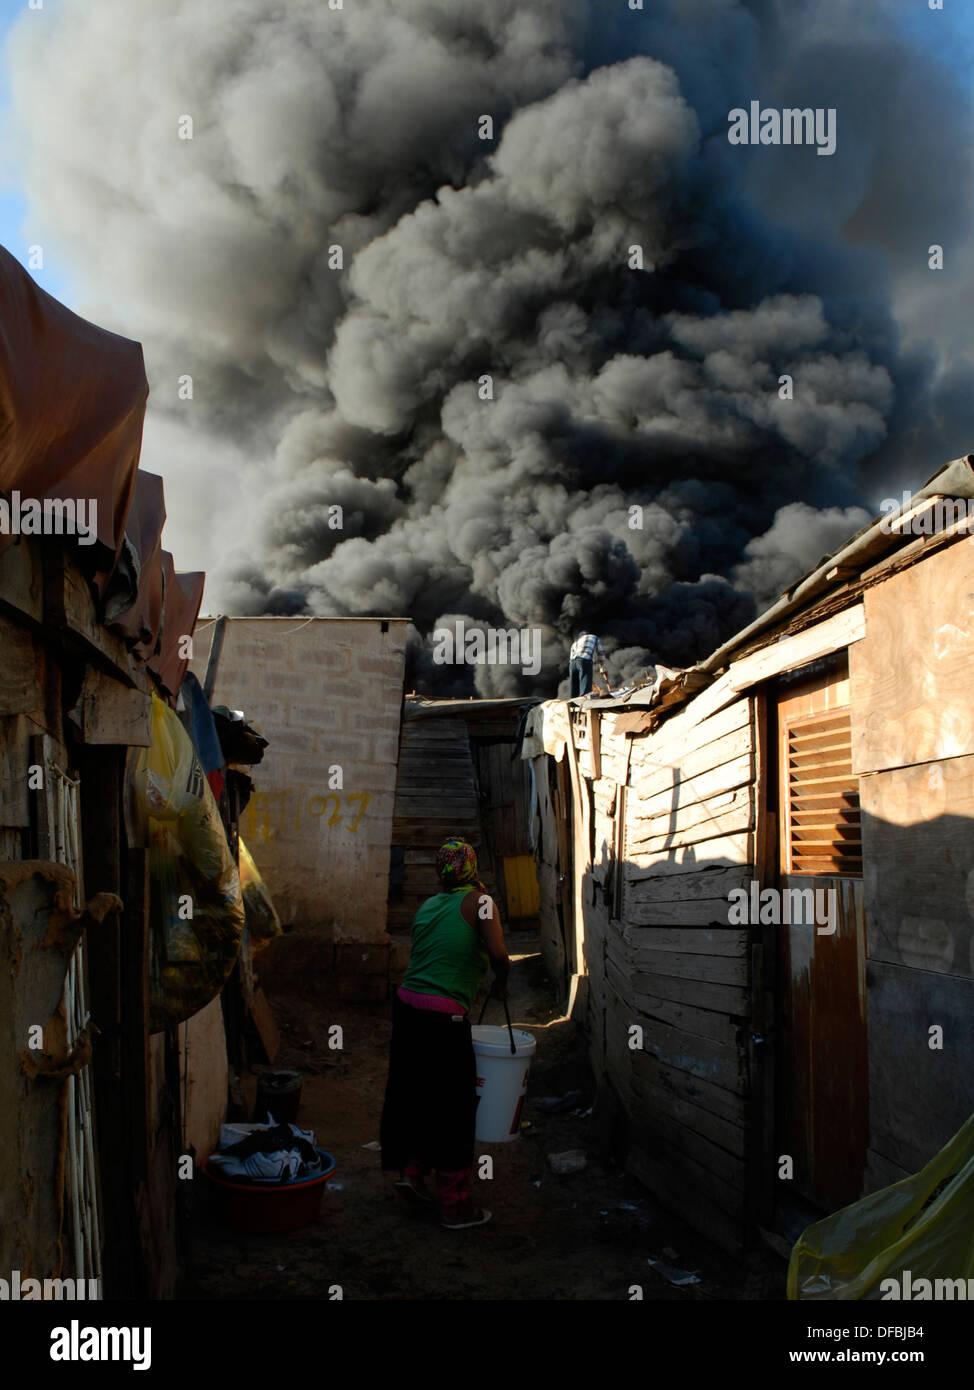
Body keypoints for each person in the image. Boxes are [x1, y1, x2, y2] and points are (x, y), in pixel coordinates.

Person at [380, 837, 510, 1229]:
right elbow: (501, 956)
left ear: (441, 871)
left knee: (416, 1094)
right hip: (443, 1017)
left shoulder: (428, 905)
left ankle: (412, 1170)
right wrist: (502, 981)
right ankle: (454, 1207)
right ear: (472, 867)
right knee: (454, 1107)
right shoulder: (481, 902)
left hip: (407, 1010)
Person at [568, 630, 608, 697]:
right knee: (585, 685)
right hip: (584, 661)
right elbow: (600, 652)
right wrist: (602, 666)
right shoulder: (593, 637)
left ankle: (573, 701)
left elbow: (571, 657)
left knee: (574, 685)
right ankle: (584, 700)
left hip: (572, 663)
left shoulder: (575, 642)